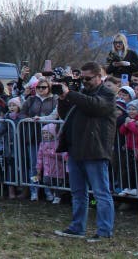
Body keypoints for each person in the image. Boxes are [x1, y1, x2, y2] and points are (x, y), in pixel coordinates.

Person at [54, 62, 116, 241]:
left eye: (88, 78)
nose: (85, 82)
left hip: (95, 150)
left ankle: (104, 231)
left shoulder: (107, 94)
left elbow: (95, 106)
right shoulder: (82, 95)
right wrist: (63, 99)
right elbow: (66, 114)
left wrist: (71, 94)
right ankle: (77, 227)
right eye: (82, 78)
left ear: (99, 77)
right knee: (78, 193)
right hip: (76, 149)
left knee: (101, 193)